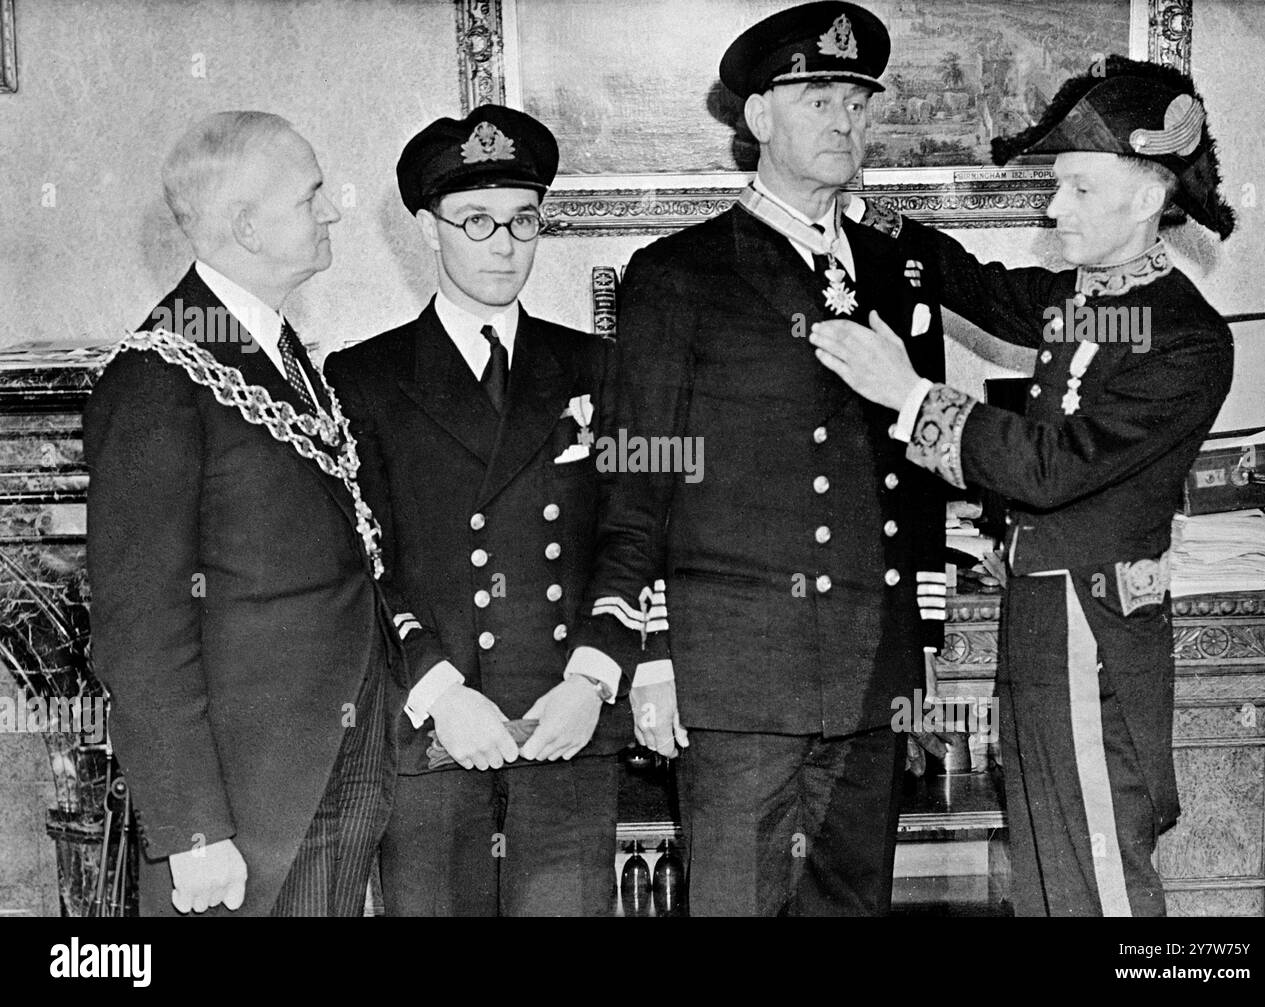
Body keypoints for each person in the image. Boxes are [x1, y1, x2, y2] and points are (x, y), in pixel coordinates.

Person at [808, 56, 1236, 916]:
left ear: (1148, 197)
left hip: (1093, 633)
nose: (1053, 208)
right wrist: (863, 210)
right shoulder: (1088, 299)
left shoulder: (1186, 338)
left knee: (1099, 880)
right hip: (1039, 615)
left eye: (1079, 188)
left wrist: (913, 397)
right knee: (1046, 879)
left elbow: (1052, 467)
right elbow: (977, 284)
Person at [566, 1, 949, 916]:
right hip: (734, 679)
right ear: (758, 116)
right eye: (818, 99)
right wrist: (651, 655)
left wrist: (922, 647)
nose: (845, 121)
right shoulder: (678, 274)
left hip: (871, 676)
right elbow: (636, 484)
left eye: (858, 102)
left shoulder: (897, 272)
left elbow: (915, 483)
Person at [326, 105, 668, 916]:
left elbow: (634, 531)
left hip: (565, 720)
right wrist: (442, 693)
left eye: (523, 219)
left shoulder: (596, 366)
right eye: (475, 220)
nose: (504, 244)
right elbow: (362, 559)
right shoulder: (364, 377)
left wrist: (592, 678)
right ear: (427, 227)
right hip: (436, 729)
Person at [85, 111, 399, 917]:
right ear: (248, 227)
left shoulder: (272, 349)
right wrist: (191, 827)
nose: (332, 211)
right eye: (311, 195)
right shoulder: (157, 379)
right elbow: (139, 627)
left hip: (332, 768)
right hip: (247, 813)